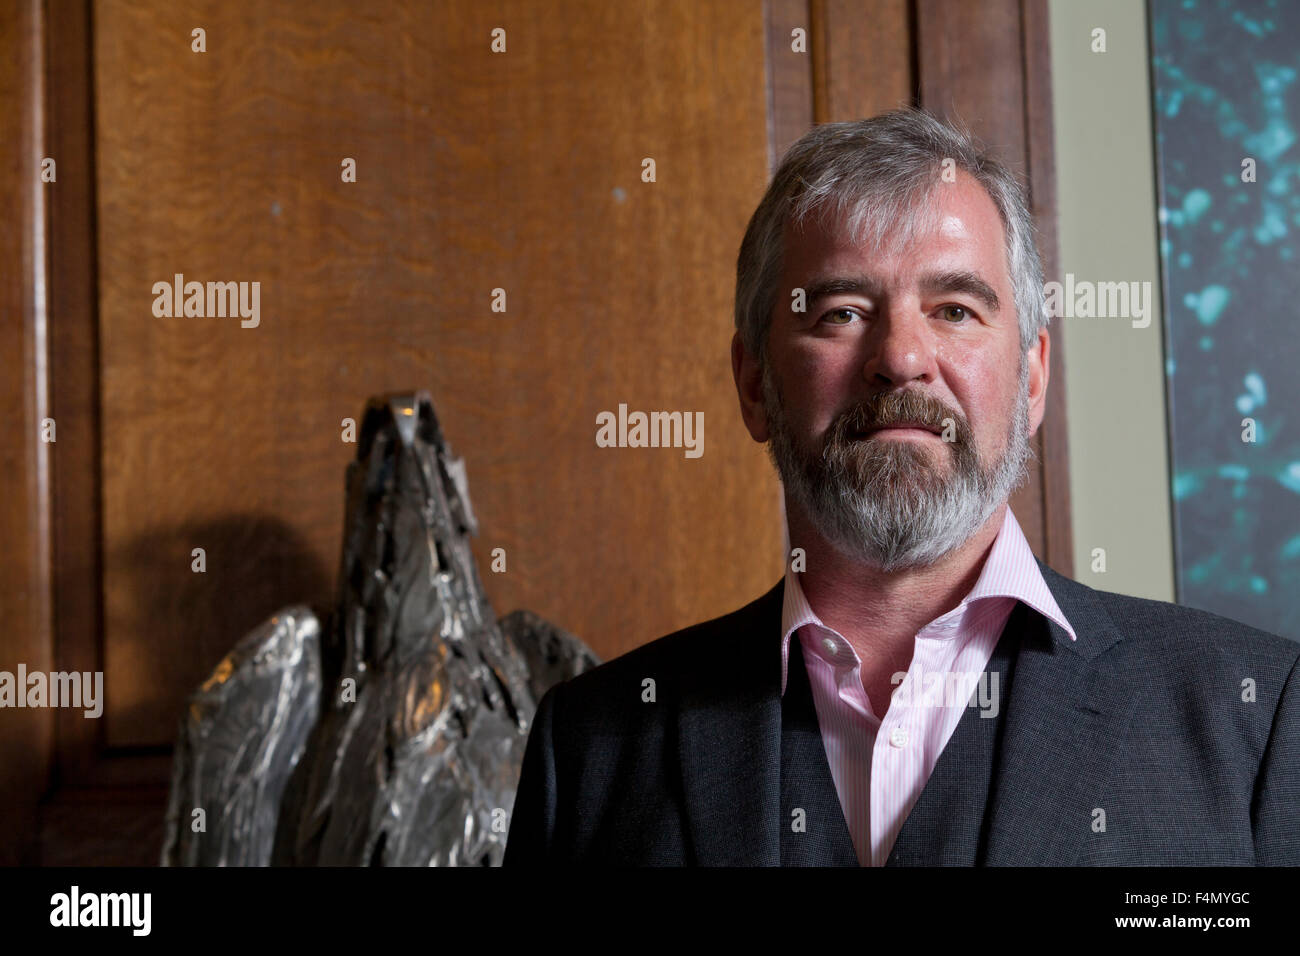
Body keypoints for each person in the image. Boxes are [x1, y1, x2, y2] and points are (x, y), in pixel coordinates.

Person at [503, 108, 1300, 866]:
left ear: (1031, 381)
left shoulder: (1254, 718)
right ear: (754, 385)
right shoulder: (591, 749)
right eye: (843, 313)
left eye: (954, 309)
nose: (902, 358)